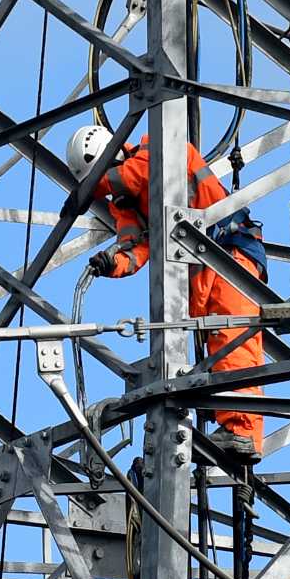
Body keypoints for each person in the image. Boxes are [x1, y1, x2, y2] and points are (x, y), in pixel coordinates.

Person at [68, 122, 267, 468]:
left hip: (230, 253)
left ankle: (244, 430)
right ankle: (231, 427)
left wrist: (91, 188)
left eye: (103, 176)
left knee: (234, 337)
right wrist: (111, 262)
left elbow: (139, 174)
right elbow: (135, 246)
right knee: (220, 345)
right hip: (198, 269)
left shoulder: (160, 146)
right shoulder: (125, 202)